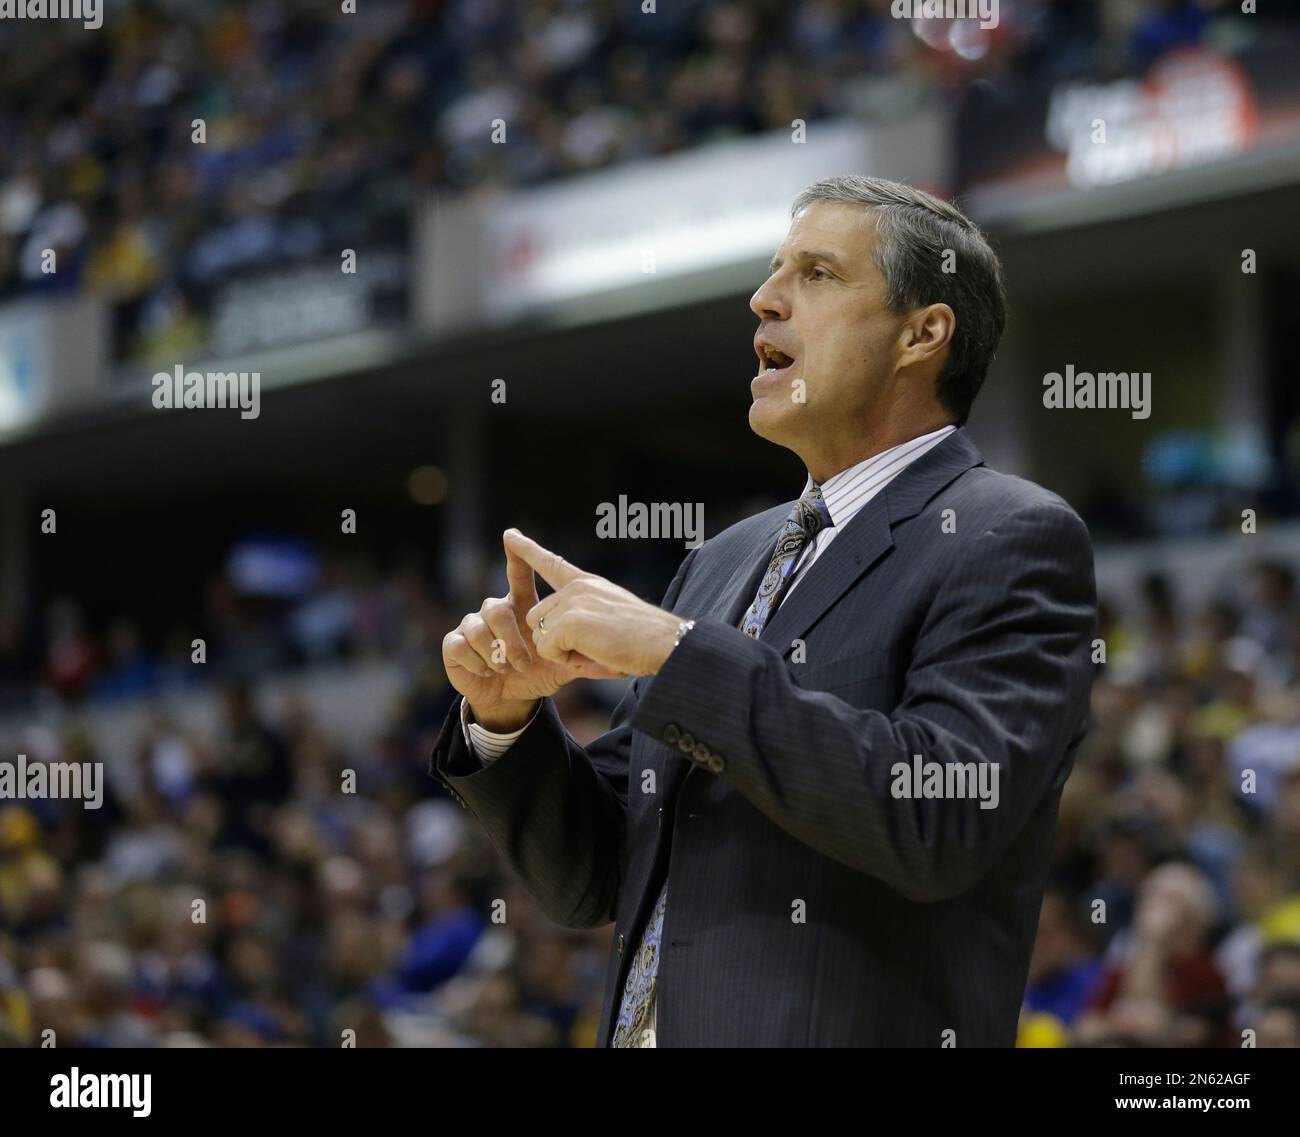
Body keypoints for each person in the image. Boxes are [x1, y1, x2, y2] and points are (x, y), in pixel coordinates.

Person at [430, 175, 1098, 1046]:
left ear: (923, 333)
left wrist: (677, 651)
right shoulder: (725, 558)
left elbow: (940, 815)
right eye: (774, 270)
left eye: (816, 274)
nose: (763, 299)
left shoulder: (1009, 534)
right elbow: (598, 873)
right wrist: (509, 719)